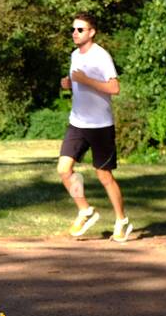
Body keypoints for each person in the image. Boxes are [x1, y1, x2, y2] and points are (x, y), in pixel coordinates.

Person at [57, 12, 133, 241]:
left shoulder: (101, 56)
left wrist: (85, 80)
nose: (75, 33)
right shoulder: (74, 56)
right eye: (73, 29)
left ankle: (121, 220)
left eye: (80, 29)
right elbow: (79, 83)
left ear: (91, 32)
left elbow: (114, 88)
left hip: (100, 126)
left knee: (104, 177)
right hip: (77, 122)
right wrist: (69, 84)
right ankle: (85, 210)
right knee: (63, 170)